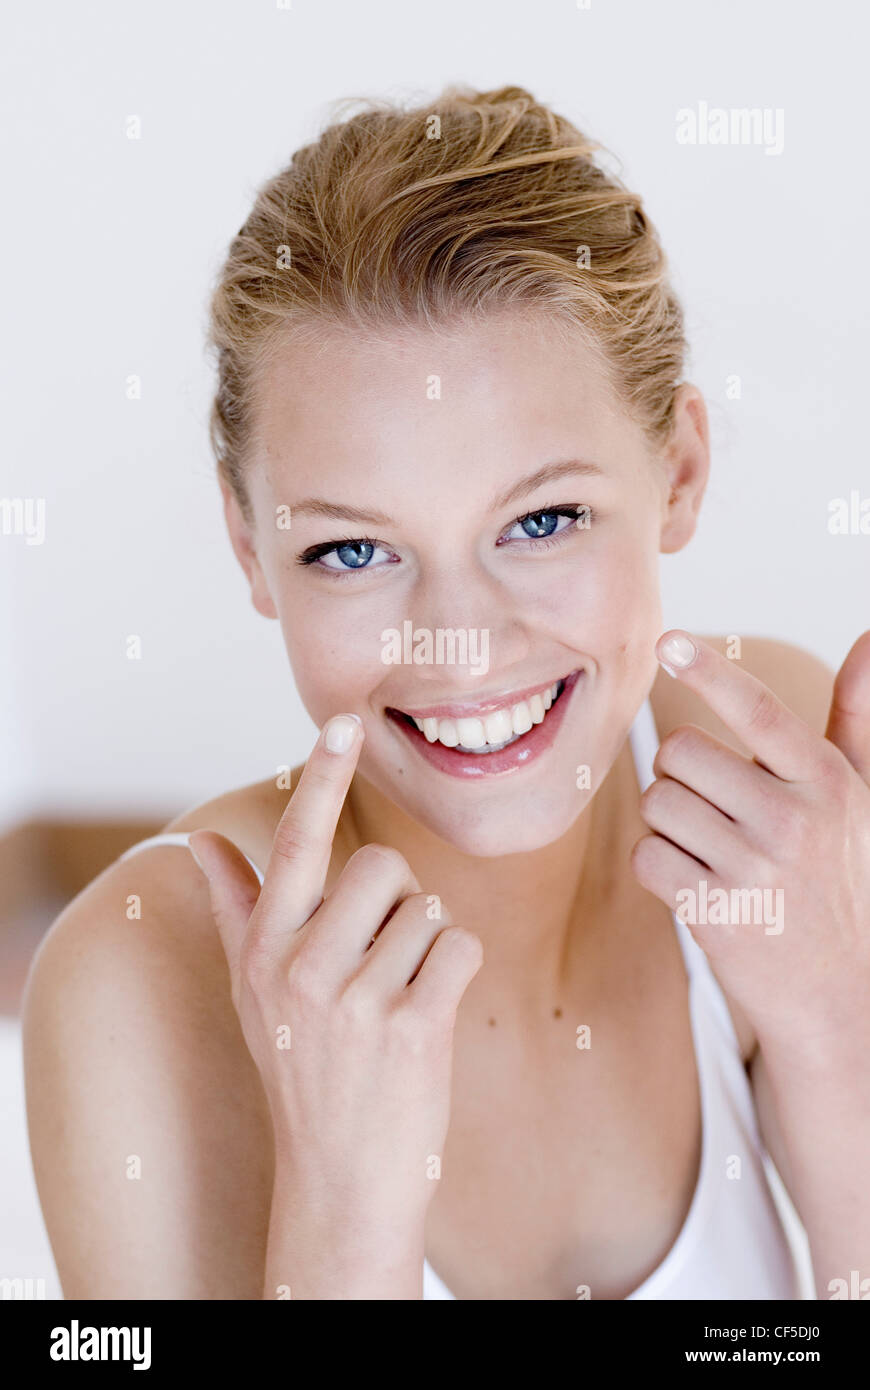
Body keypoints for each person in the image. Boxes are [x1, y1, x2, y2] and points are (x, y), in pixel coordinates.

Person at [22, 85, 870, 1301]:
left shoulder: (749, 781)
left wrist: (842, 1020)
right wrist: (345, 1213)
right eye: (353, 550)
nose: (463, 643)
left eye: (543, 519)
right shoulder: (143, 985)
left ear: (679, 472)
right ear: (249, 550)